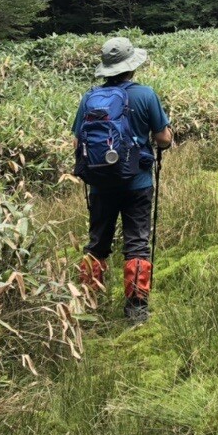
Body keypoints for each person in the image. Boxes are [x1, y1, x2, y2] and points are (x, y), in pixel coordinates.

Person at [72, 36, 173, 323]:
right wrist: (165, 140)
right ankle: (136, 309)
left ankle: (89, 303)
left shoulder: (90, 97)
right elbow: (163, 138)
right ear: (132, 66)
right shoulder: (145, 95)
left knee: (96, 244)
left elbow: (77, 143)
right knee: (138, 243)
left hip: (100, 185)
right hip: (138, 184)